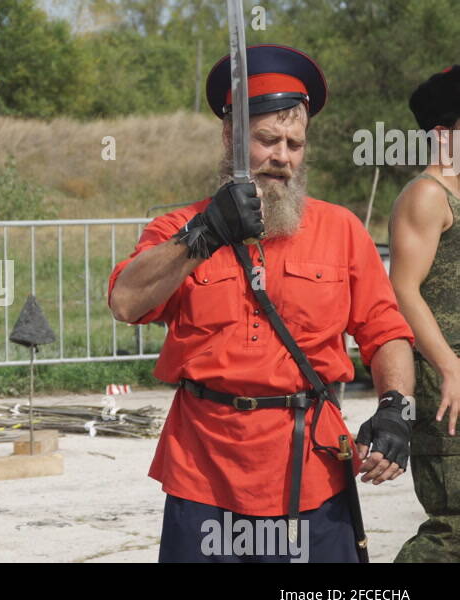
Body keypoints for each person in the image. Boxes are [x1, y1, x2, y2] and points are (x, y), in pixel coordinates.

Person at [108, 44, 415, 562]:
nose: (282, 157)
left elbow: (385, 331)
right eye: (268, 140)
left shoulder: (341, 230)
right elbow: (126, 302)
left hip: (311, 470)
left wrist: (395, 408)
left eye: (295, 143)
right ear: (231, 139)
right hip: (203, 471)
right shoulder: (176, 230)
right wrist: (203, 235)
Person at [389, 65, 460, 562]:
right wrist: (450, 367)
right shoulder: (428, 194)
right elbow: (403, 289)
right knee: (452, 526)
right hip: (447, 380)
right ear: (443, 133)